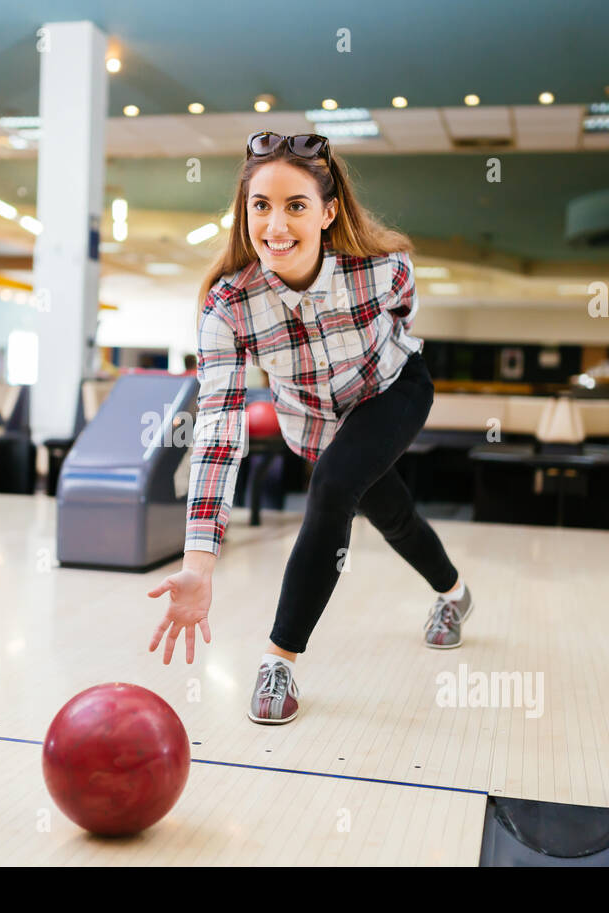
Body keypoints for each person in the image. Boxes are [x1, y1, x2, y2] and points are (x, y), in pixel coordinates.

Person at [147, 131, 471, 724]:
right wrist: (199, 561)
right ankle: (454, 594)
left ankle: (280, 662)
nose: (276, 225)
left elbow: (403, 315)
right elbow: (219, 428)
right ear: (243, 214)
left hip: (393, 389)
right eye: (260, 205)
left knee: (332, 490)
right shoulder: (228, 306)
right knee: (391, 512)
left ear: (328, 212)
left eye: (296, 205)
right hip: (317, 423)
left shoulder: (381, 268)